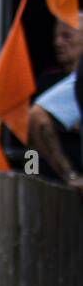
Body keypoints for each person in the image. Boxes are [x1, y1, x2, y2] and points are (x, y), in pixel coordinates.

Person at [27, 53, 83, 191]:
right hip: (52, 182)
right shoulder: (45, 81)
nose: (59, 43)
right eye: (57, 36)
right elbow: (29, 144)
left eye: (67, 36)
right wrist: (31, 172)